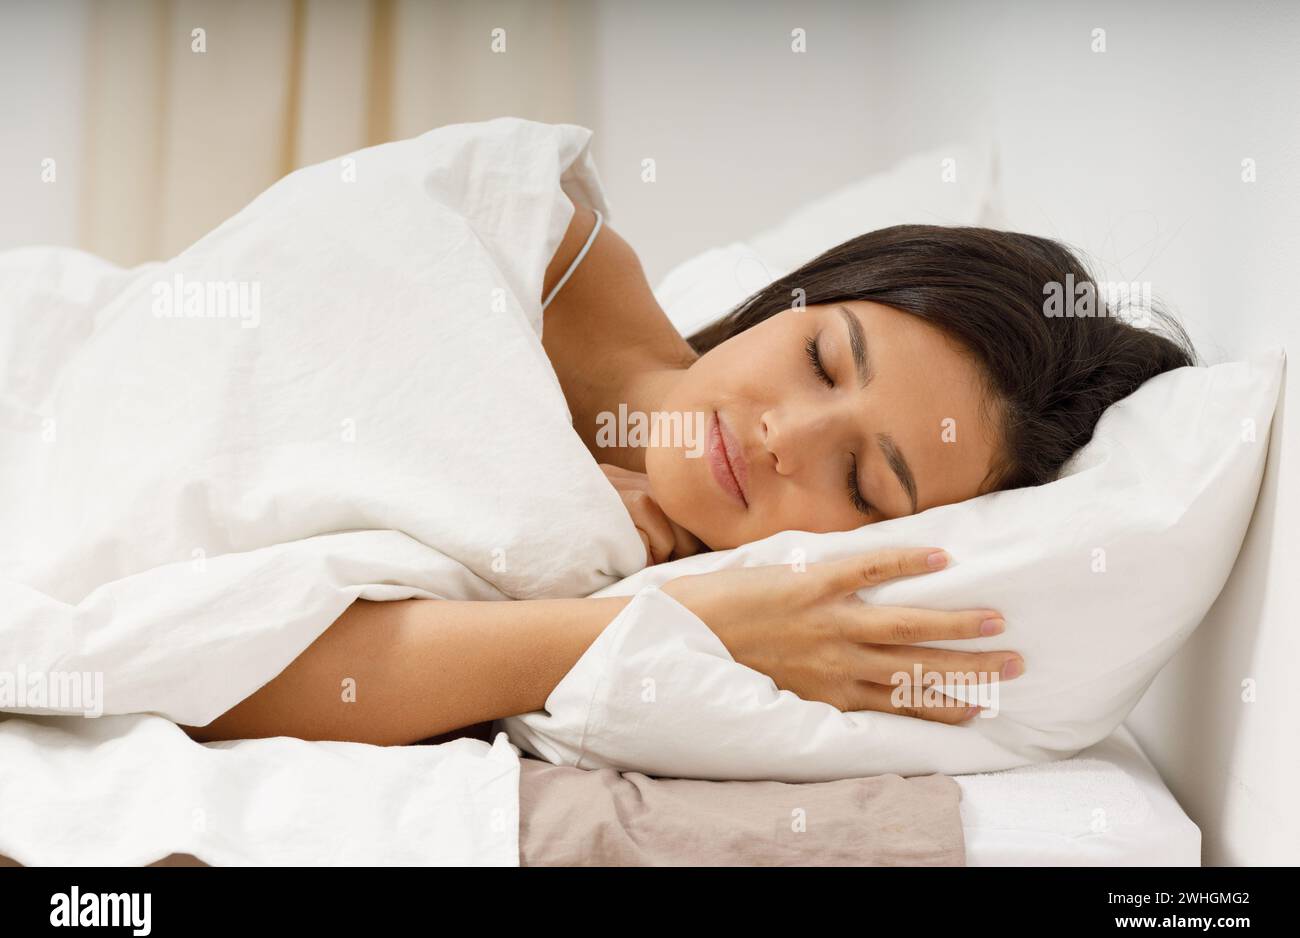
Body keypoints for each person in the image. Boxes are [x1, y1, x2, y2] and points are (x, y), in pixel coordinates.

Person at [182, 208, 1196, 747]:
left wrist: (678, 618)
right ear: (802, 295)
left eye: (859, 481)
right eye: (820, 359)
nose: (782, 437)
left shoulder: (615, 559)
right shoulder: (544, 240)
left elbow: (224, 672)